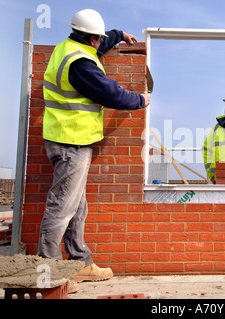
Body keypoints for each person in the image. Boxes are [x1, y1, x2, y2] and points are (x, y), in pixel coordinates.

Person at [38, 9, 150, 284]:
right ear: (92, 40)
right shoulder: (81, 64)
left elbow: (101, 42)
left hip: (69, 139)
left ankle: (79, 262)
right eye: (100, 40)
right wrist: (140, 100)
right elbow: (109, 92)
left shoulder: (70, 47)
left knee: (77, 206)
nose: (102, 43)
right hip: (70, 141)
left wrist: (119, 35)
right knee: (62, 206)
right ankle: (49, 272)